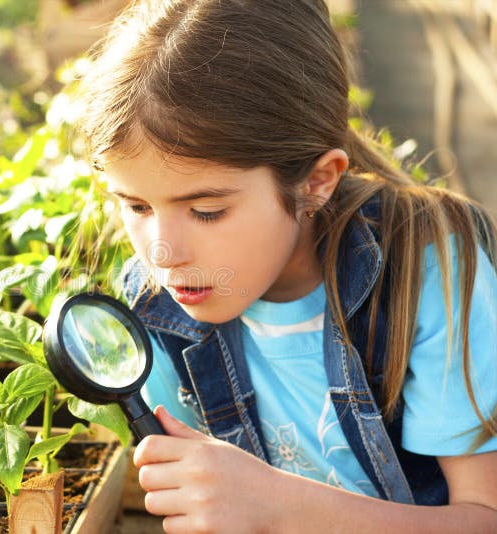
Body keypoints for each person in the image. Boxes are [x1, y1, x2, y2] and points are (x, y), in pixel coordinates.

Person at [76, 0, 497, 531]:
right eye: (136, 206)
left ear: (317, 182)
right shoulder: (153, 314)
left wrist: (276, 506)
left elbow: (485, 517)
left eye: (207, 211)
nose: (162, 254)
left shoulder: (427, 265)